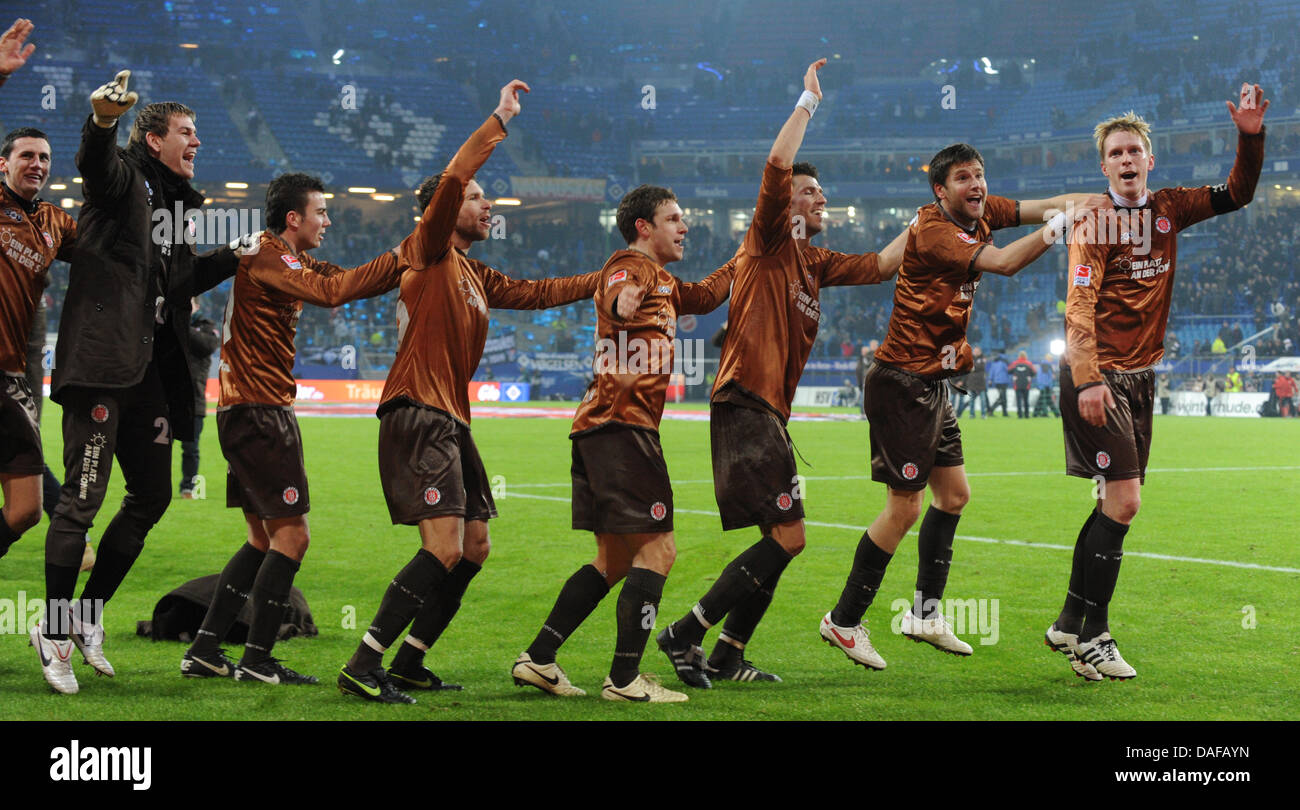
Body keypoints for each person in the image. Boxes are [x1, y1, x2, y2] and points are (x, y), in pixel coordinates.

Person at [337, 80, 600, 703]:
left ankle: (408, 661)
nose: (488, 207)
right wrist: (499, 119)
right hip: (419, 411)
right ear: (442, 210)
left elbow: (536, 293)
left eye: (488, 200)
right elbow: (456, 175)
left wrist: (608, 275)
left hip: (451, 419)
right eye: (478, 198)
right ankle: (362, 662)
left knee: (474, 546)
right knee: (445, 545)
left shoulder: (475, 272)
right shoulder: (427, 252)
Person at [654, 59, 907, 688]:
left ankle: (728, 653)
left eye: (823, 193)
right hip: (746, 402)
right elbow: (776, 166)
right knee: (790, 538)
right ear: (788, 201)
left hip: (768, 414)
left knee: (781, 539)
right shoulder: (768, 239)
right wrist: (807, 102)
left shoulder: (814, 260)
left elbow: (879, 266)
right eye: (812, 191)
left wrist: (926, 223)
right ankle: (687, 631)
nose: (822, 199)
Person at [820, 141, 1102, 671]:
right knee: (903, 507)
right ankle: (844, 619)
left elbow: (1046, 202)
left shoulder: (981, 207)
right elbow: (1005, 262)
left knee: (952, 496)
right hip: (901, 382)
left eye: (980, 175)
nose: (977, 185)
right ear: (940, 189)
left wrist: (1107, 200)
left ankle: (925, 614)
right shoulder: (933, 230)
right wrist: (1061, 227)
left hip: (931, 382)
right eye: (964, 178)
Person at [31, 69, 248, 695]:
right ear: (153, 139)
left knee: (151, 496)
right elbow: (95, 163)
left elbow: (175, 287)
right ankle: (51, 629)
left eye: (198, 132)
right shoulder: (124, 178)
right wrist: (102, 120)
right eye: (187, 131)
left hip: (150, 368)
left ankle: (85, 619)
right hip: (102, 365)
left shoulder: (175, 208)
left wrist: (233, 255)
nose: (197, 141)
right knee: (82, 499)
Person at [1047, 85, 1267, 681]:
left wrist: (1249, 137)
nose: (1124, 160)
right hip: (1098, 379)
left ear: (1150, 160)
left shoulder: (1170, 208)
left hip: (1142, 380)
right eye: (1114, 153)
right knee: (1125, 501)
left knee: (1110, 506)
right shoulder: (1093, 224)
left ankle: (1070, 619)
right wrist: (1089, 378)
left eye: (1133, 151)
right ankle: (1095, 636)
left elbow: (1239, 193)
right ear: (1103, 166)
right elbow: (1080, 302)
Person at [179, 173, 406, 685]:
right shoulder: (268, 253)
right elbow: (332, 293)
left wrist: (407, 262)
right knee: (293, 536)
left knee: (262, 539)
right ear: (292, 219)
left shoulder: (288, 257)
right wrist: (405, 250)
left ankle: (206, 650)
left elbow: (348, 279)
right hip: (259, 410)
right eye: (321, 212)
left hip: (249, 409)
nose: (327, 221)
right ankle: (257, 659)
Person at [513, 185, 736, 703]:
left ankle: (539, 659)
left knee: (614, 558)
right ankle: (625, 679)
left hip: (602, 427)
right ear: (644, 227)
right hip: (622, 427)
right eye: (674, 219)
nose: (684, 227)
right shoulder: (629, 264)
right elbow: (616, 292)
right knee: (659, 549)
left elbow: (701, 297)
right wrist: (622, 300)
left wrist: (746, 254)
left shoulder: (663, 279)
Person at [0, 20, 77, 571]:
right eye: (26, 155)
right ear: (2, 163)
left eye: (45, 158)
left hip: (10, 379)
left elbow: (108, 248)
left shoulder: (54, 221)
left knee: (26, 509)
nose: (37, 164)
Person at [179, 298, 219, 498]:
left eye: (190, 303)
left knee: (191, 447)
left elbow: (208, 345)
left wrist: (180, 325)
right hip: (169, 397)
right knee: (157, 447)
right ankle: (154, 487)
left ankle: (188, 486)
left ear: (197, 306)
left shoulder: (206, 326)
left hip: (194, 399)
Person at [1006, 349, 1037, 418]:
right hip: (1026, 384)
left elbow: (1008, 370)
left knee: (1018, 400)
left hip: (1017, 384)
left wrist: (1015, 374)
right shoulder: (1029, 363)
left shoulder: (1015, 363)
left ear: (1019, 356)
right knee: (1026, 400)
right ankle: (1026, 414)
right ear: (1026, 356)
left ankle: (1020, 415)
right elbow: (1034, 372)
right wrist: (1029, 375)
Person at [987, 350, 1010, 415]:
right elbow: (1008, 370)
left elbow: (991, 371)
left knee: (1002, 397)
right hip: (1004, 381)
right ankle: (991, 410)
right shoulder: (1005, 361)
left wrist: (990, 380)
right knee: (1002, 398)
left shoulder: (995, 361)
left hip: (997, 382)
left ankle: (1004, 412)